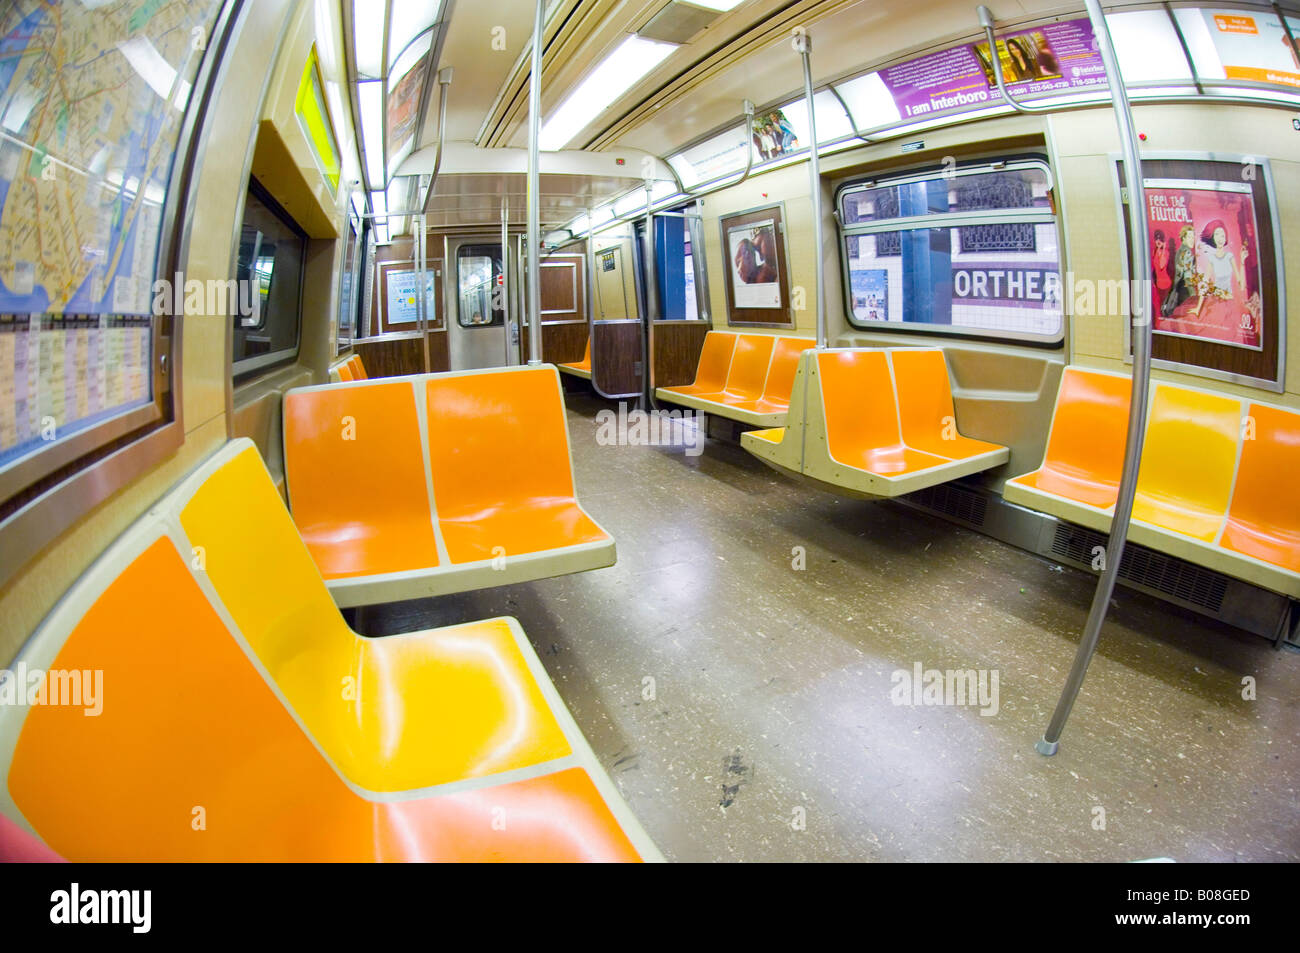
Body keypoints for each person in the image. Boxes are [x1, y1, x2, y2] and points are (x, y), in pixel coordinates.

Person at [1191, 220, 1248, 318]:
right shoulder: (1212, 258)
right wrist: (1198, 308)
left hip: (1229, 302)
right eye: (1217, 234)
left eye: (1222, 235)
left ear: (1225, 237)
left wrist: (1242, 263)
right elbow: (1205, 282)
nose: (1220, 238)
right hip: (1216, 301)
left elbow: (1241, 286)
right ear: (1213, 237)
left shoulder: (1229, 256)